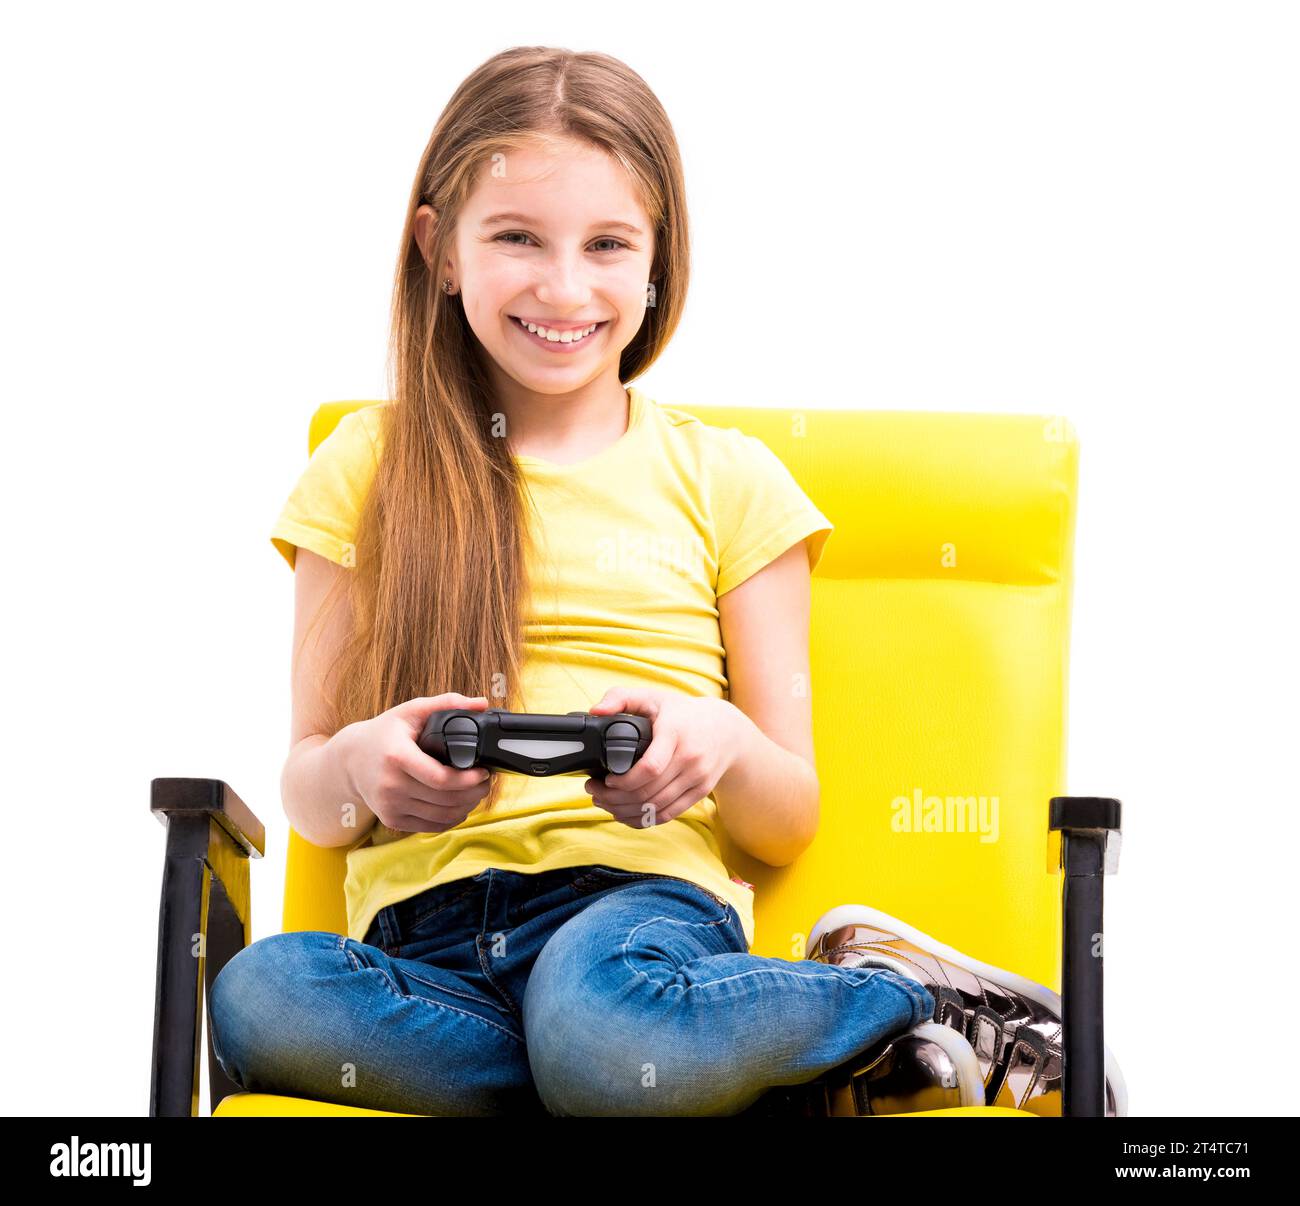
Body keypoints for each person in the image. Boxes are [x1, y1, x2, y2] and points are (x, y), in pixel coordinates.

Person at [207, 45, 939, 1117]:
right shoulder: (364, 468)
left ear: (656, 264)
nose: (564, 287)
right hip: (426, 950)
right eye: (515, 238)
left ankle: (902, 1003)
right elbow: (312, 793)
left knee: (602, 1016)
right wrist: (364, 764)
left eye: (607, 245)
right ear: (440, 250)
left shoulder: (728, 478)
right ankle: (636, 1077)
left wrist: (719, 742)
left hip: (635, 920)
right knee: (259, 995)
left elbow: (787, 817)